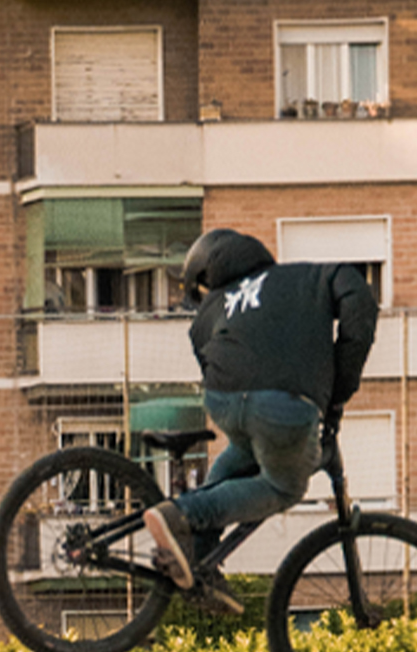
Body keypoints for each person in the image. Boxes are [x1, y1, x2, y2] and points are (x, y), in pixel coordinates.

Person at [145, 228, 379, 610]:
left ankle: (201, 561)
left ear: (209, 274)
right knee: (285, 487)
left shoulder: (212, 308)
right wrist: (337, 393)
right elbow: (358, 298)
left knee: (242, 451)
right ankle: (182, 514)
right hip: (284, 405)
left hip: (223, 402)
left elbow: (210, 359)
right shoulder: (311, 275)